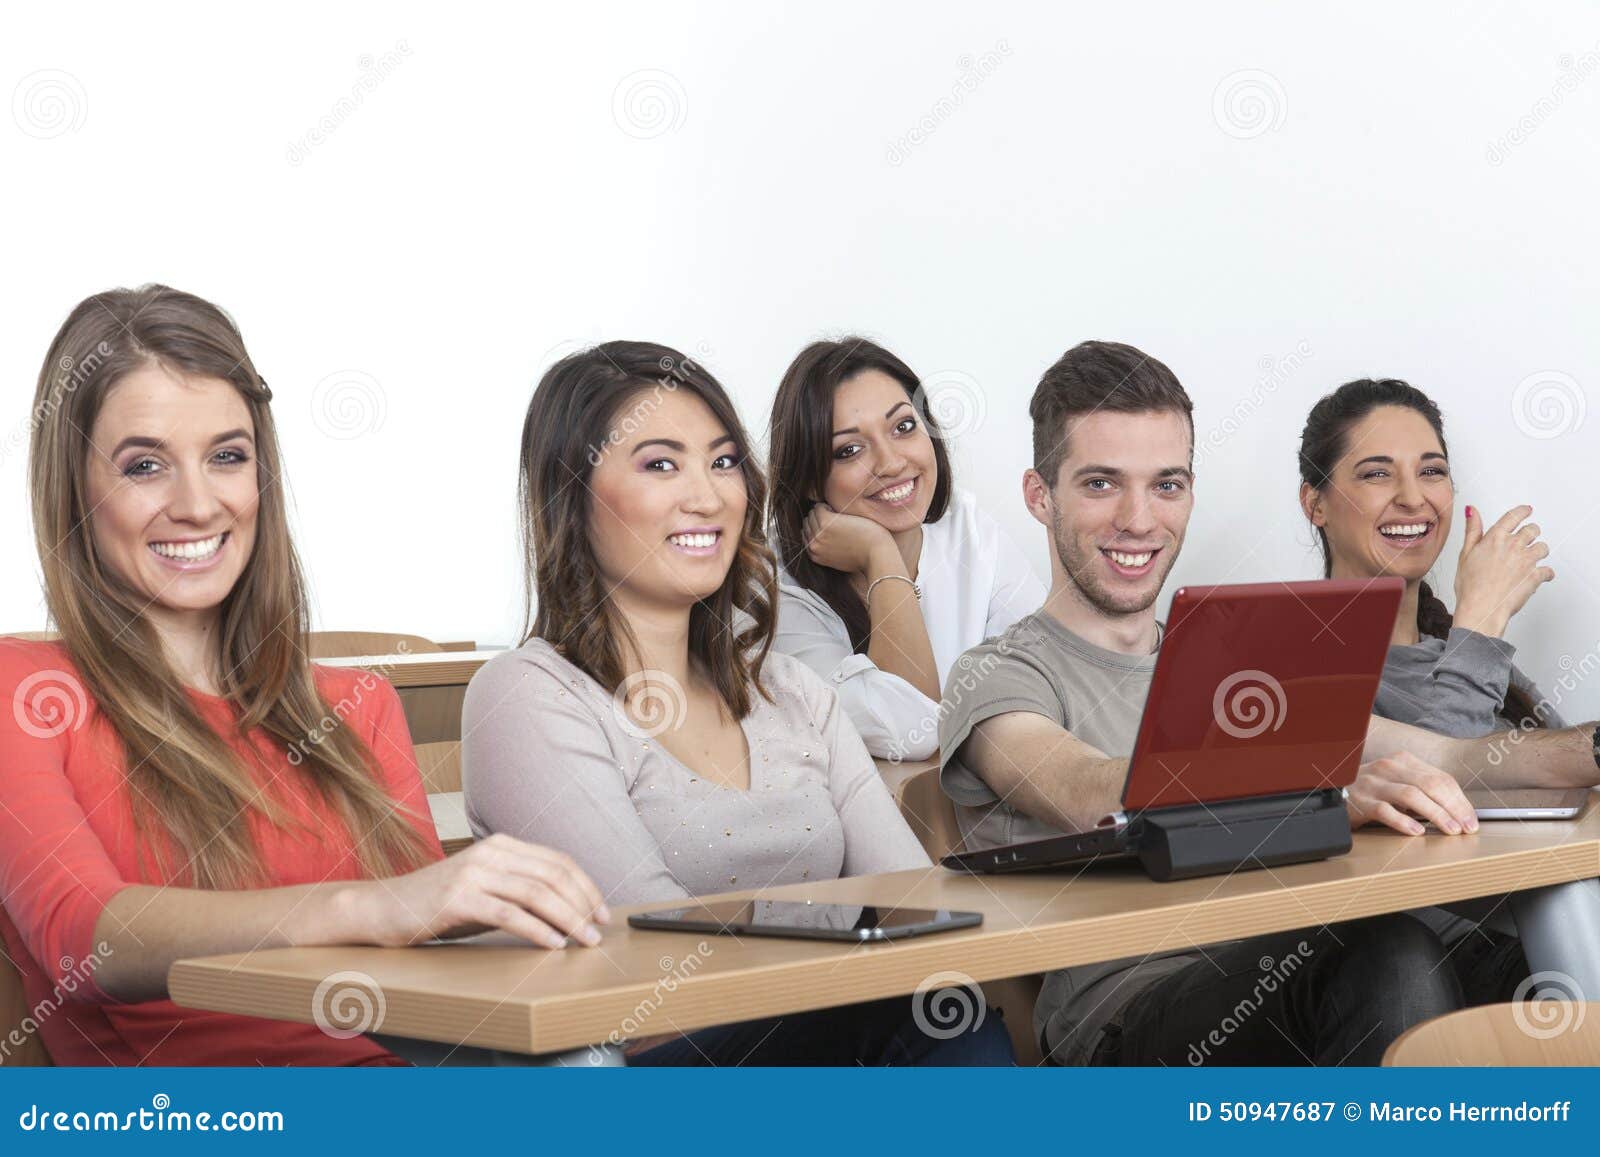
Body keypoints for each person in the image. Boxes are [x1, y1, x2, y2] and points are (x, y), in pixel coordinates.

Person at [938, 340, 1600, 1066]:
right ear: (1040, 495)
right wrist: (1318, 791)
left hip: (1298, 960)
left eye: (1166, 484)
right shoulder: (998, 675)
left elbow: (1450, 757)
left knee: (1550, 974)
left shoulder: (1242, 665)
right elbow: (1088, 794)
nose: (1137, 518)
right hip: (1133, 1017)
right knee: (1389, 949)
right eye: (1101, 484)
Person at [0, 286, 609, 1067]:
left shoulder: (355, 703)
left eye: (227, 456)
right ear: (74, 490)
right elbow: (85, 938)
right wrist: (372, 905)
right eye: (144, 465)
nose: (197, 503)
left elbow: (434, 976)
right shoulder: (26, 693)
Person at [462, 340, 1013, 1066]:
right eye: (661, 463)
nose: (709, 494)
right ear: (572, 494)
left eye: (723, 462)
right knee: (925, 1015)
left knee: (949, 1011)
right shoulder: (528, 696)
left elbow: (921, 906)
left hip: (833, 1041)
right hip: (663, 1074)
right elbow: (655, 958)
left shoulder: (793, 693)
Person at [767, 338, 1045, 760]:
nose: (892, 463)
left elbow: (1046, 682)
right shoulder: (773, 587)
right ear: (807, 479)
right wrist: (879, 556)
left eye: (903, 427)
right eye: (849, 450)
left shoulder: (966, 527)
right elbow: (910, 733)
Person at [1299, 377, 1560, 736]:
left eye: (1431, 471)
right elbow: (1430, 783)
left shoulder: (1472, 657)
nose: (1412, 498)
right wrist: (1478, 626)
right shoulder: (1293, 677)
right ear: (1315, 505)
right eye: (1377, 473)